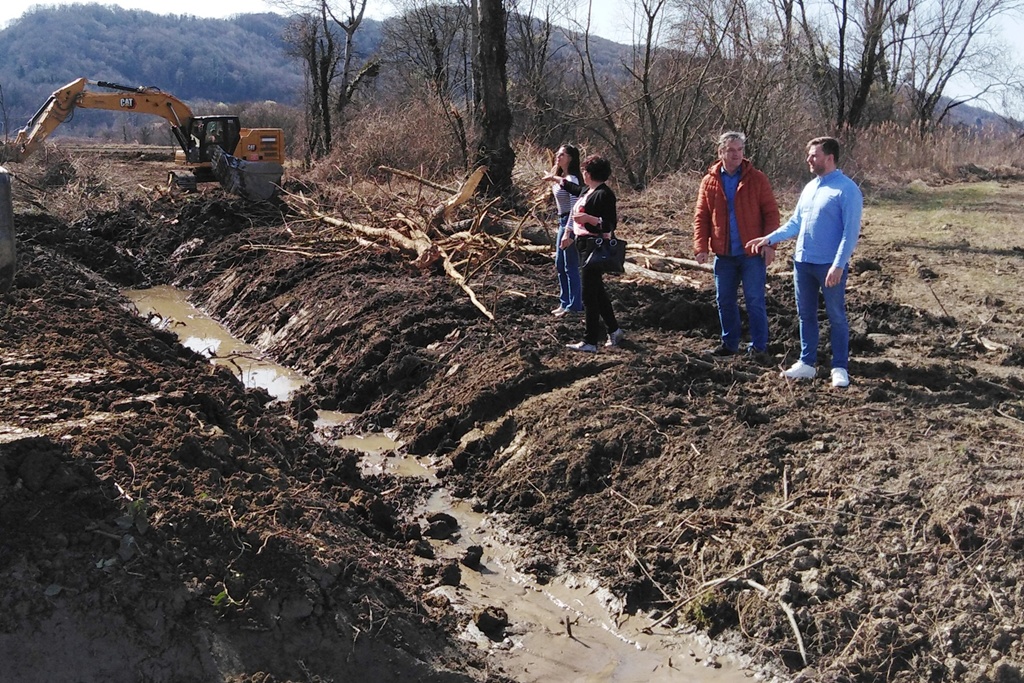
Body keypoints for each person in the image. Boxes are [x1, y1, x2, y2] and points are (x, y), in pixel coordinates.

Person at [746, 136, 862, 388]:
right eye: (809, 155)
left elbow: (850, 232)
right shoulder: (810, 188)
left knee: (836, 316)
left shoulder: (847, 189)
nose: (809, 159)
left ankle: (839, 366)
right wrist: (769, 238)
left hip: (829, 266)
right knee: (805, 314)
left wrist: (839, 264)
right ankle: (806, 363)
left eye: (814, 155)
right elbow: (795, 223)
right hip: (803, 263)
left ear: (829, 158)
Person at [693, 131, 780, 359]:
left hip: (752, 254)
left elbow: (771, 214)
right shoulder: (709, 180)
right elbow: (701, 215)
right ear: (720, 152)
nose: (736, 154)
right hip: (724, 254)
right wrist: (701, 246)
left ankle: (759, 347)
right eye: (731, 150)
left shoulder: (757, 179)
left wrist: (770, 245)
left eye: (740, 150)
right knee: (724, 300)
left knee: (754, 300)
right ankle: (729, 344)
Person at [563, 155, 625, 352]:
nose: (583, 173)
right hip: (582, 244)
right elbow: (572, 189)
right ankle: (614, 330)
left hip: (594, 246)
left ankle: (590, 341)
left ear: (589, 173)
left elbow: (609, 224)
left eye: (585, 171)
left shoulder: (604, 194)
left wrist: (590, 218)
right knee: (597, 292)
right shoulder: (587, 191)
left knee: (589, 294)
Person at [541, 145, 584, 317]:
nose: (558, 156)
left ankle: (575, 305)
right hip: (561, 221)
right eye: (557, 154)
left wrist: (569, 231)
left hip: (570, 222)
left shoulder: (572, 179)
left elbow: (575, 207)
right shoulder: (561, 177)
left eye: (562, 154)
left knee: (570, 265)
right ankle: (564, 302)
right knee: (560, 263)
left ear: (571, 158)